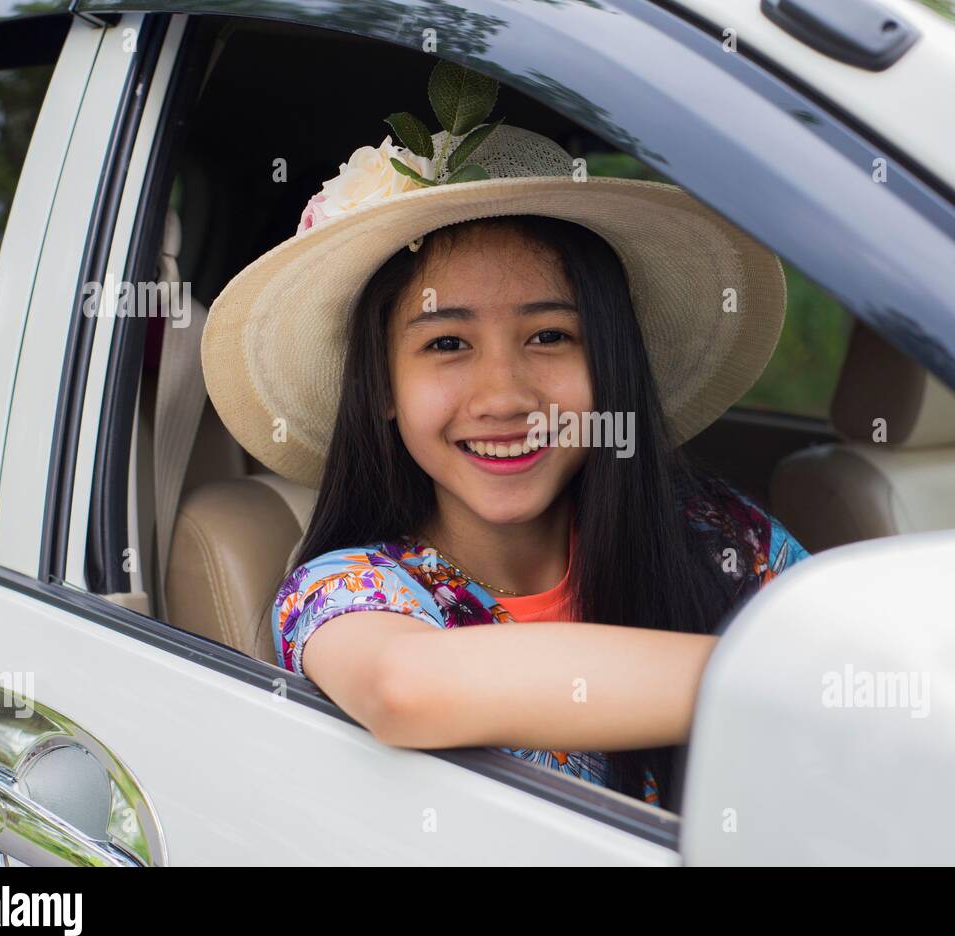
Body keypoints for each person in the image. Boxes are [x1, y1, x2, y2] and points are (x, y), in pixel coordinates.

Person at [200, 75, 809, 812]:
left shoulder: (715, 534)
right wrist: (789, 682)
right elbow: (407, 687)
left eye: (550, 336)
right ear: (384, 390)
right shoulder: (351, 590)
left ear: (609, 362)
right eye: (447, 342)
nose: (504, 398)